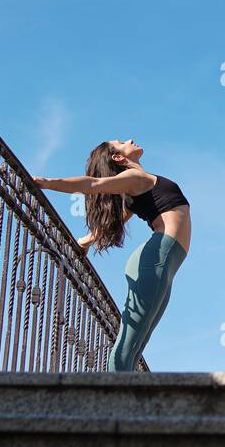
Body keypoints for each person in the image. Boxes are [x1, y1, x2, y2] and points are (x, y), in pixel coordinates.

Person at [33, 139, 190, 371]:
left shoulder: (137, 187)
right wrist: (48, 183)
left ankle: (123, 398)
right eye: (121, 142)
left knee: (137, 345)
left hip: (166, 263)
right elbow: (94, 183)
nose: (129, 140)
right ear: (118, 157)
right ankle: (109, 397)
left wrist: (85, 241)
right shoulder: (135, 179)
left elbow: (114, 221)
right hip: (156, 259)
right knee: (129, 344)